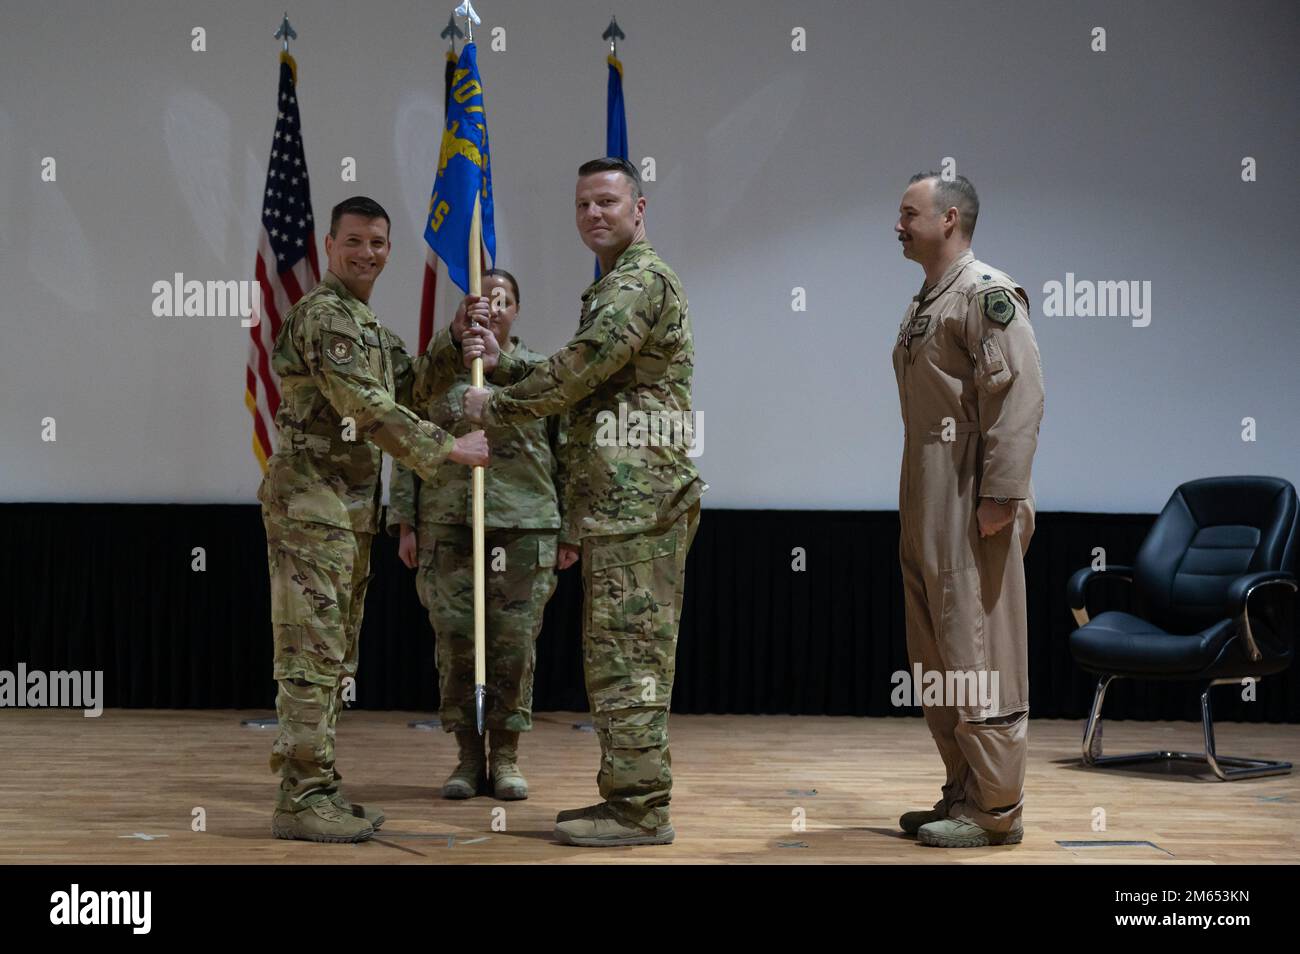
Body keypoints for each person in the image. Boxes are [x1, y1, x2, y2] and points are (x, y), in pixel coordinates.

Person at [462, 157, 706, 847]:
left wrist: (496, 402)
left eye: (607, 201)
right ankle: (628, 797)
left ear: (639, 208)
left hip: (638, 505)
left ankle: (639, 810)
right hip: (620, 504)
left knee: (629, 660)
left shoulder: (637, 282)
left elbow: (578, 372)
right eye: (582, 206)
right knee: (617, 656)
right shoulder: (618, 283)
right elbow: (589, 373)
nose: (593, 215)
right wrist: (504, 360)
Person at [258, 195, 492, 843]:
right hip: (312, 507)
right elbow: (362, 403)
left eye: (379, 243)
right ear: (330, 247)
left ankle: (318, 787)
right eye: (355, 241)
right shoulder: (325, 317)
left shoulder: (362, 324)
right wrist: (448, 448)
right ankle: (300, 797)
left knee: (333, 655)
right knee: (310, 655)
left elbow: (409, 382)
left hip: (346, 511)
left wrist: (453, 340)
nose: (368, 254)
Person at [891, 172, 1045, 847]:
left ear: (949, 218)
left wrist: (1000, 496)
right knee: (935, 651)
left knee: (980, 649)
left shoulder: (987, 295)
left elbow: (1018, 399)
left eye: (908, 213)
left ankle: (997, 811)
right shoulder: (929, 298)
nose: (897, 224)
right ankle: (962, 791)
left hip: (970, 489)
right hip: (926, 484)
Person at [389, 268, 561, 801]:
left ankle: (506, 758)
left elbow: (572, 452)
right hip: (449, 526)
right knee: (458, 643)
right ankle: (466, 759)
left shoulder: (539, 372)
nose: (493, 307)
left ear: (516, 310)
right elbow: (404, 441)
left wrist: (571, 530)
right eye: (483, 300)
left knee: (512, 647)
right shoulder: (436, 376)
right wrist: (405, 521)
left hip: (524, 527)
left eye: (504, 299)